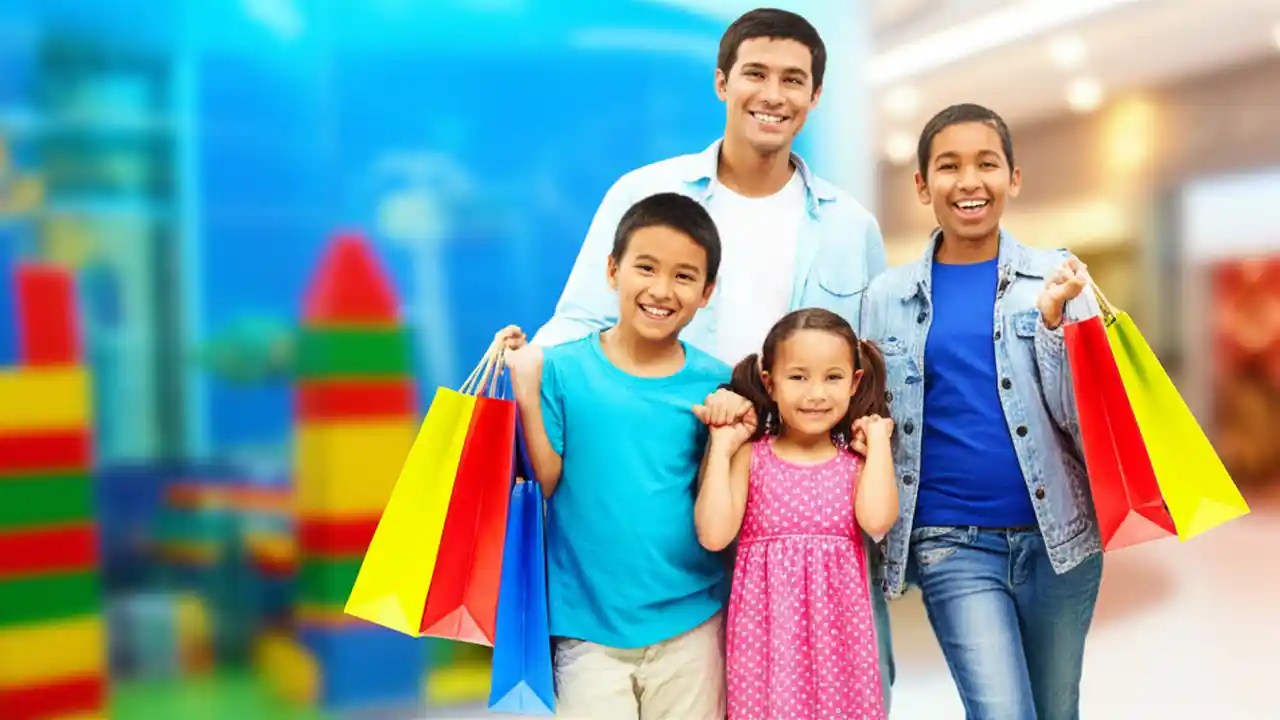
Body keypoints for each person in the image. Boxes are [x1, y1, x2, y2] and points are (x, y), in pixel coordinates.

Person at [532, 7, 895, 700]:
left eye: (794, 80)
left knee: (816, 682)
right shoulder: (645, 194)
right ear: (722, 81)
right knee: (698, 675)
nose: (773, 94)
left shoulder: (851, 225)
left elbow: (874, 360)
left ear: (815, 96)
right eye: (755, 73)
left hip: (801, 492)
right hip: (672, 482)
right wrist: (523, 373)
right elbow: (575, 323)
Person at [861, 103, 1100, 720]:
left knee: (1054, 710)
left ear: (1013, 177)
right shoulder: (885, 298)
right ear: (922, 185)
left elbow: (1086, 421)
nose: (969, 181)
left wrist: (1053, 325)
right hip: (950, 542)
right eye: (948, 166)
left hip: (1059, 542)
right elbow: (864, 414)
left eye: (987, 163)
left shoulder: (1060, 276)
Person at [498, 192, 730, 719]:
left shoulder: (715, 383)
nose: (661, 290)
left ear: (707, 292)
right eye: (645, 268)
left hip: (690, 620)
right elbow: (548, 481)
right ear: (612, 270)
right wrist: (528, 390)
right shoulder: (563, 369)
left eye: (684, 276)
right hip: (587, 628)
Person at [695, 308, 898, 720]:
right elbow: (714, 534)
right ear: (769, 382)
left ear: (855, 381)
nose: (816, 394)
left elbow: (878, 521)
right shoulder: (751, 457)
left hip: (840, 651)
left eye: (833, 377)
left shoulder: (856, 464)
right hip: (766, 647)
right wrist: (721, 446)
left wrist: (878, 445)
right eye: (798, 377)